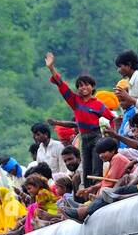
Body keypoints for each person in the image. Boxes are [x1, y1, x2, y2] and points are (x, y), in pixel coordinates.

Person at [45, 52, 115, 180]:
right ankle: (88, 195)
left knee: (96, 166)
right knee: (86, 169)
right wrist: (51, 68)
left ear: (92, 86)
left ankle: (96, 192)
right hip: (84, 138)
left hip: (96, 137)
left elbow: (112, 118)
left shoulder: (98, 104)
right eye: (80, 85)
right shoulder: (75, 101)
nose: (83, 87)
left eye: (86, 85)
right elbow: (61, 85)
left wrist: (112, 136)